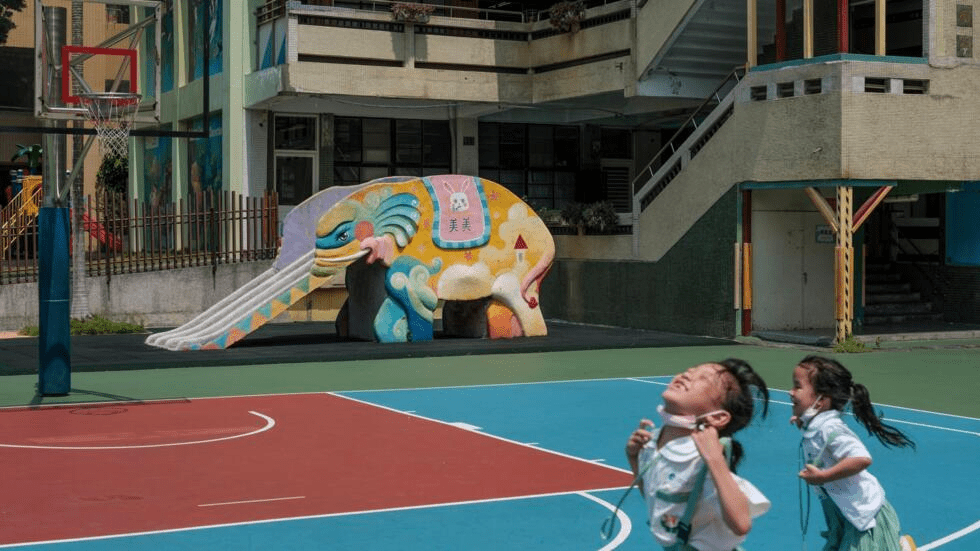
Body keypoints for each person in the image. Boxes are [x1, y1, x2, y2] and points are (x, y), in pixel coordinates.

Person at [625, 359, 771, 551]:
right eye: (688, 371)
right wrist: (634, 457)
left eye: (702, 378)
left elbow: (741, 524)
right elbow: (657, 500)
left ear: (717, 417)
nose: (686, 374)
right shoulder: (654, 441)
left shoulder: (701, 457)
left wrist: (715, 461)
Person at [789, 355, 917, 551]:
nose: (791, 392)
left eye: (797, 386)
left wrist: (824, 475)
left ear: (821, 401)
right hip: (842, 513)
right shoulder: (817, 425)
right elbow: (816, 440)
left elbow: (861, 458)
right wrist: (803, 423)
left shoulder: (831, 428)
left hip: (864, 516)